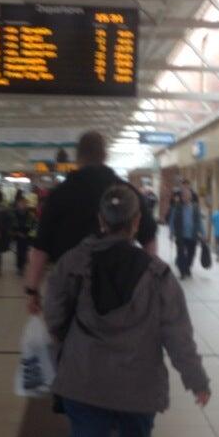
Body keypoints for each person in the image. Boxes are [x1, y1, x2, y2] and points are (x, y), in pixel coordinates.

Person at [44, 184, 210, 437]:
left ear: (102, 222)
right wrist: (196, 379)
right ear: (136, 223)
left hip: (84, 381)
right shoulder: (158, 275)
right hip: (137, 383)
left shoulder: (73, 262)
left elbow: (54, 312)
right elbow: (177, 335)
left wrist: (64, 339)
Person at [25, 130, 157, 313]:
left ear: (77, 158)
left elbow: (40, 250)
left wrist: (32, 290)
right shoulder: (128, 193)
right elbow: (149, 240)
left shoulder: (58, 195)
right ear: (105, 155)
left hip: (70, 292)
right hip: (119, 291)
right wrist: (150, 280)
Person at [169, 183, 203, 280]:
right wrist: (171, 232)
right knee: (180, 253)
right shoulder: (177, 207)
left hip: (192, 235)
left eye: (187, 196)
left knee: (191, 254)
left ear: (190, 197)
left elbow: (199, 221)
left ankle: (187, 267)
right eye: (183, 196)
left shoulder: (195, 208)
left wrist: (203, 233)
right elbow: (172, 220)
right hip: (180, 235)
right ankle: (182, 271)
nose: (185, 198)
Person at [12, 194, 37, 277]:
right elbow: (13, 224)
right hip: (18, 235)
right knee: (19, 252)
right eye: (21, 203)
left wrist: (27, 234)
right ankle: (20, 267)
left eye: (24, 203)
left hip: (26, 235)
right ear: (18, 204)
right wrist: (17, 233)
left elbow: (32, 225)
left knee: (25, 251)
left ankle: (22, 266)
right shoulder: (15, 213)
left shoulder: (30, 214)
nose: (22, 204)